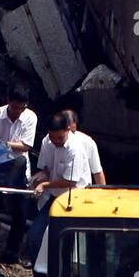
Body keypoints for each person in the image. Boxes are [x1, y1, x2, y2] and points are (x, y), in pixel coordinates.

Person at [24, 112, 104, 267]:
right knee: (34, 236)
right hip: (56, 198)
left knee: (68, 242)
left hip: (76, 199)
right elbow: (47, 168)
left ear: (68, 130)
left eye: (59, 138)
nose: (56, 142)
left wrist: (45, 185)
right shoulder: (47, 142)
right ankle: (39, 276)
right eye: (53, 138)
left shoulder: (76, 149)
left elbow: (70, 180)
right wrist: (39, 178)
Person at [0, 85, 38, 262]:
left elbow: (25, 146)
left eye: (21, 108)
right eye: (14, 107)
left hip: (19, 170)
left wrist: (2, 144)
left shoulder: (30, 117)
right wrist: (4, 149)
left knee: (20, 212)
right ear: (8, 102)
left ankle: (12, 253)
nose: (17, 111)